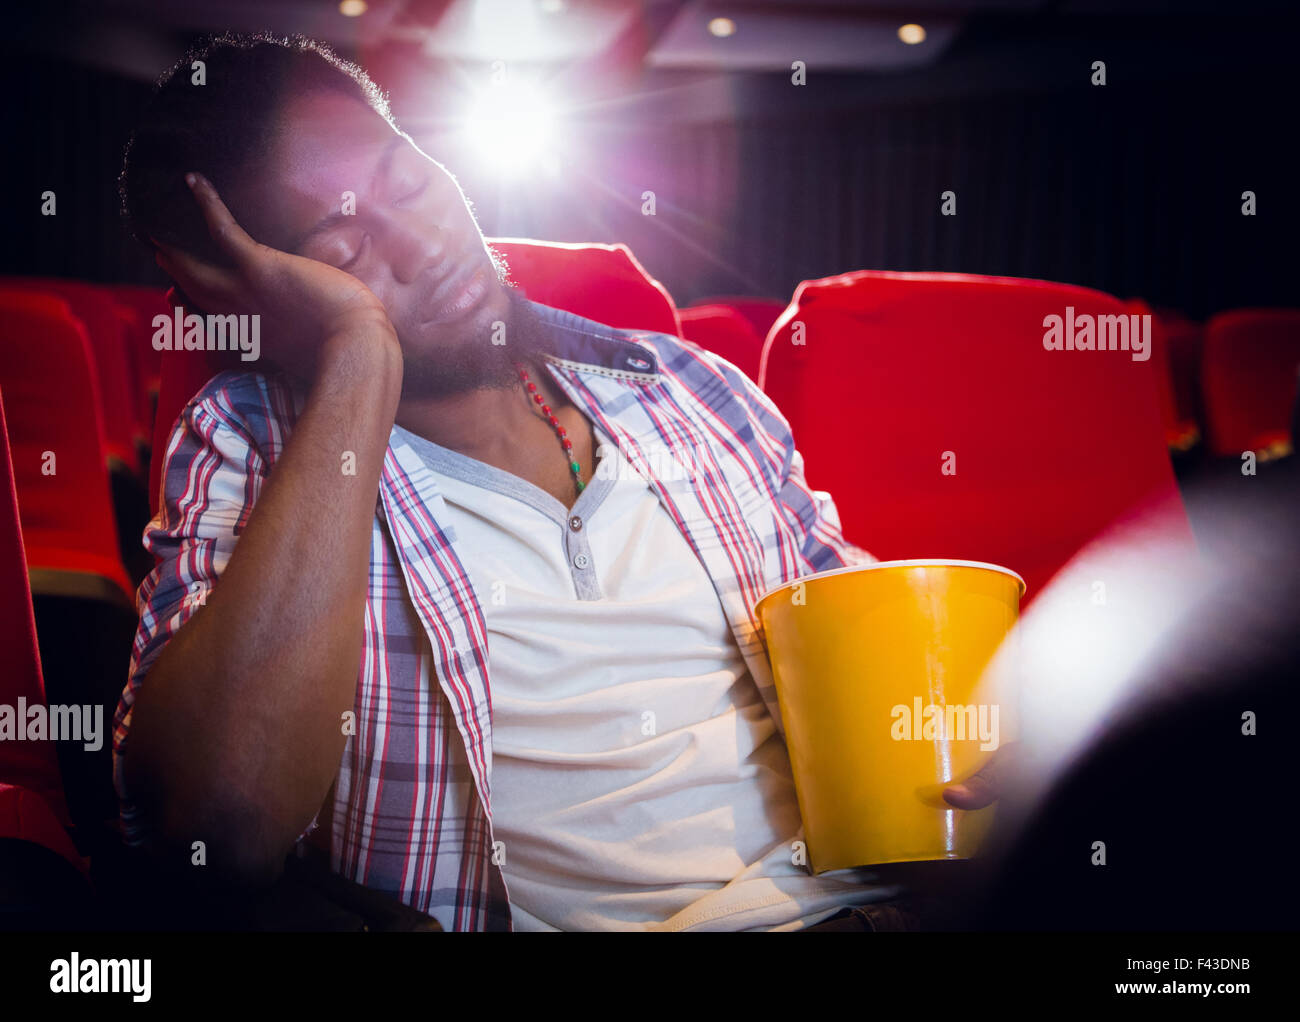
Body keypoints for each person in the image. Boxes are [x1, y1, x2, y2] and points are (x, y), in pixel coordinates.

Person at [114, 33, 997, 932]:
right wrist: (356, 353)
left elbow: (881, 649)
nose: (424, 245)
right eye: (342, 251)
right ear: (263, 296)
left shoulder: (687, 387)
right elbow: (223, 828)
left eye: (412, 180)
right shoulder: (249, 443)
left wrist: (1000, 729)